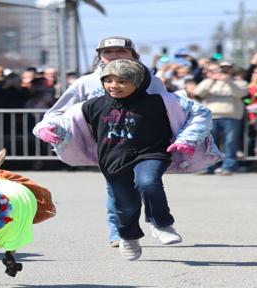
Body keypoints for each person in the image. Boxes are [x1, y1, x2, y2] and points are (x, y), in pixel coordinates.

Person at [44, 59, 218, 260]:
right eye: (108, 80)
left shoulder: (162, 102)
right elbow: (61, 121)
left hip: (152, 153)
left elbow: (201, 113)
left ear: (139, 82)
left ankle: (161, 224)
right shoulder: (92, 105)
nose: (113, 85)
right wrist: (48, 130)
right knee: (126, 205)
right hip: (113, 160)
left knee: (148, 182)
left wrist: (187, 138)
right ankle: (129, 237)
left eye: (122, 81)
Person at [34, 36, 168, 247]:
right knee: (116, 190)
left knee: (148, 183)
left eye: (121, 52)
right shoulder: (85, 82)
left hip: (146, 145)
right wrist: (46, 127)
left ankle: (156, 221)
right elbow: (58, 111)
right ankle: (119, 232)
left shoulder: (152, 81)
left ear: (134, 55)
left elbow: (170, 110)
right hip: (109, 146)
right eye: (108, 52)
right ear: (99, 57)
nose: (114, 56)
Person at [196, 61, 248, 175]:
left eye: (227, 68)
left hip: (231, 116)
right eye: (222, 68)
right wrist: (211, 79)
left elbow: (240, 94)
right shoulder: (209, 82)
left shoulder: (240, 82)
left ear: (232, 69)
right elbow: (198, 92)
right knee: (210, 143)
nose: (225, 70)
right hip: (211, 116)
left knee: (230, 142)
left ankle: (228, 166)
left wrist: (228, 81)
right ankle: (208, 167)